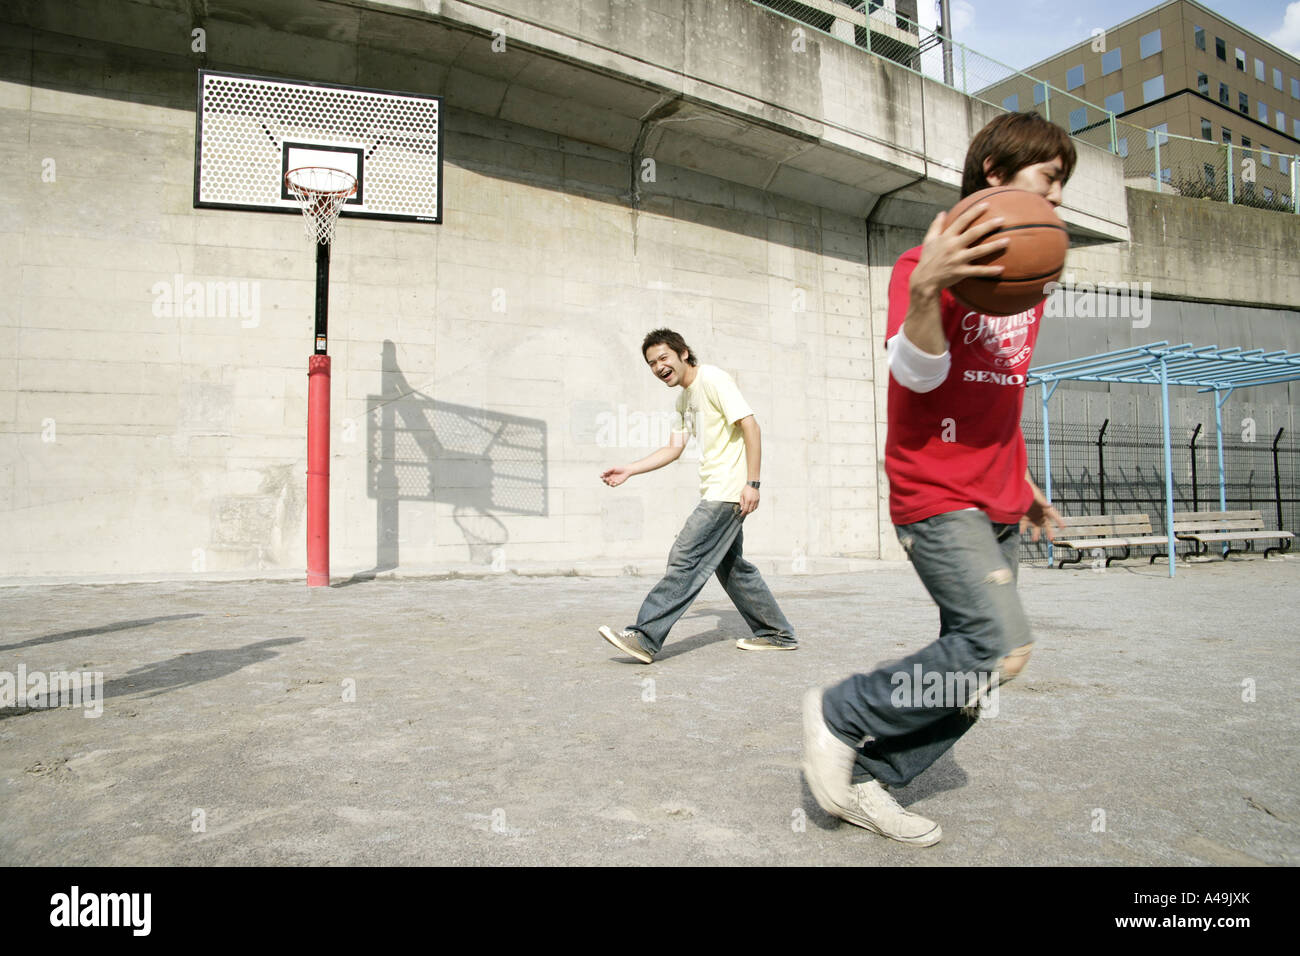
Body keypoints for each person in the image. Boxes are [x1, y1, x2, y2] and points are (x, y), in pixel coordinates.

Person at [802, 112, 1075, 847]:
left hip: (998, 496)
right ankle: (844, 712)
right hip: (936, 491)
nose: (1058, 198)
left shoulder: (1027, 283)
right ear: (996, 172)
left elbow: (1000, 390)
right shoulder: (921, 268)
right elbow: (916, 377)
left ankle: (874, 779)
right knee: (999, 646)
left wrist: (1026, 476)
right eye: (1050, 179)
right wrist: (929, 289)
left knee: (984, 667)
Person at [598, 329, 796, 663]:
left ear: (683, 353)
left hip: (728, 491)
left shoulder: (713, 379)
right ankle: (776, 633)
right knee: (732, 568)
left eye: (663, 358)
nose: (659, 367)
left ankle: (645, 637)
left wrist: (753, 483)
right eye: (651, 363)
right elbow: (674, 449)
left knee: (684, 556)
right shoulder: (683, 400)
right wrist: (630, 469)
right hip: (718, 489)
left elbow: (751, 426)